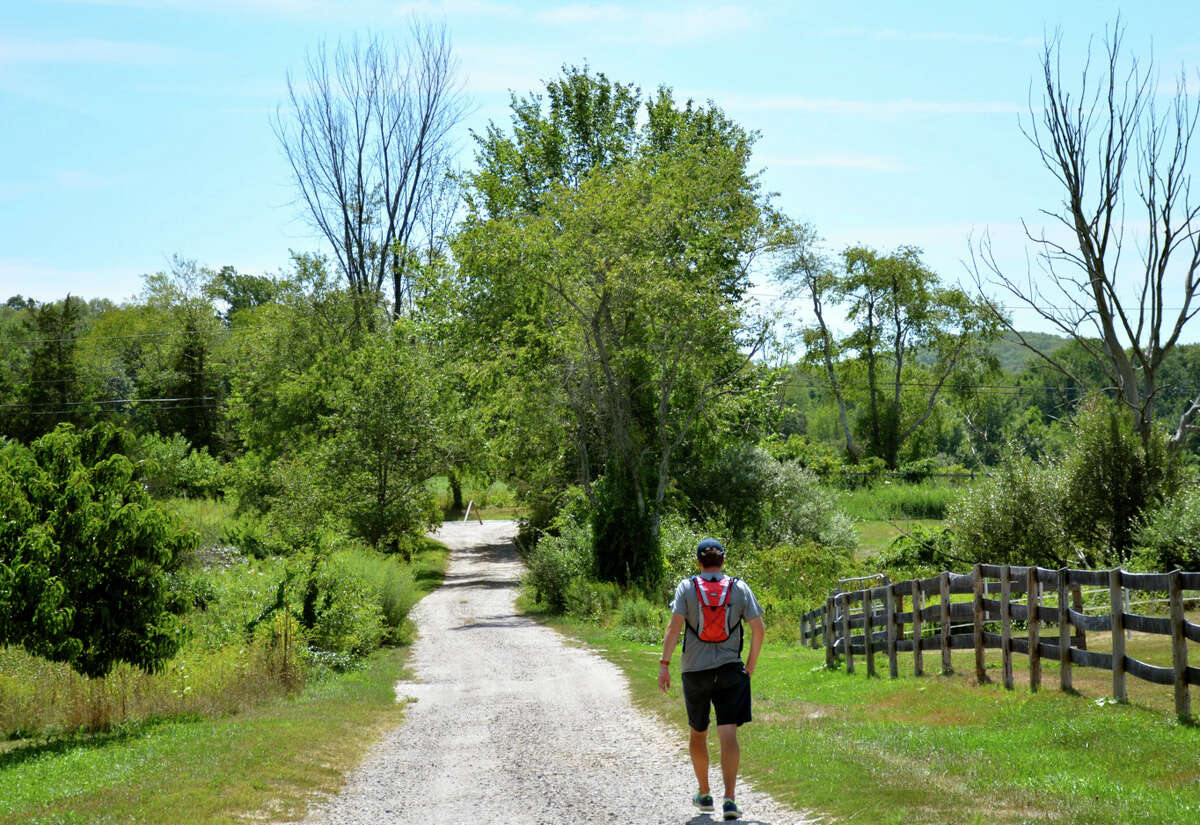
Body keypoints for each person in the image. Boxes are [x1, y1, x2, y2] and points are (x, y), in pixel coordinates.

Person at [658, 537, 764, 821]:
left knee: (698, 732)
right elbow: (758, 630)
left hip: (695, 670)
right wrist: (749, 668)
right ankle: (730, 801)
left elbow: (673, 629)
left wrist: (664, 664)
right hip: (731, 670)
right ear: (723, 561)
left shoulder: (687, 587)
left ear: (698, 562)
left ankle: (705, 794)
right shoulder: (739, 588)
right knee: (728, 732)